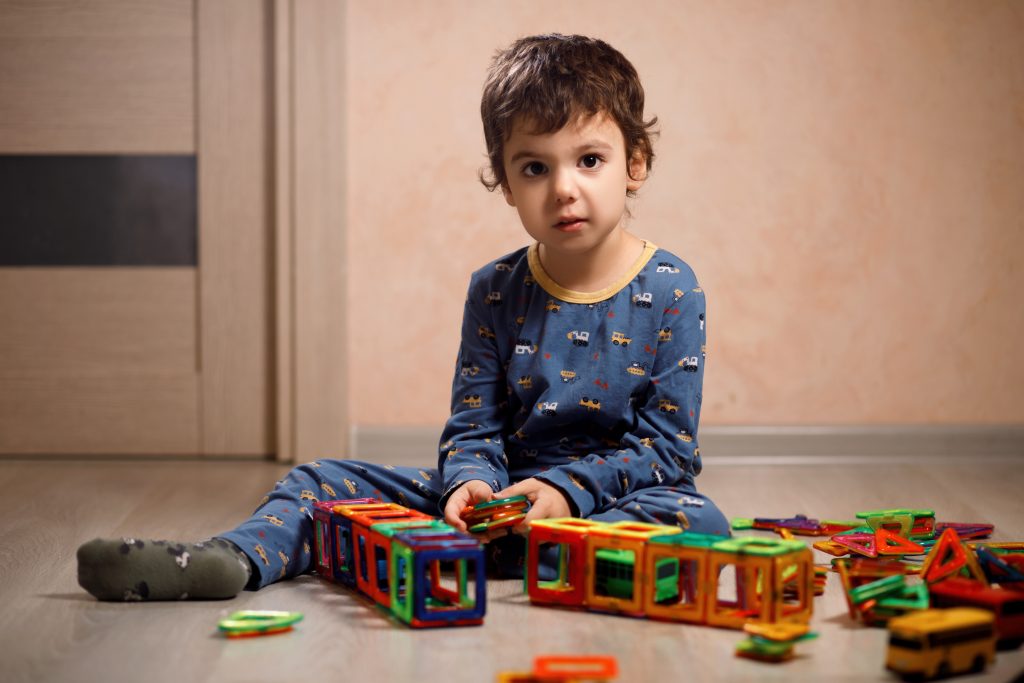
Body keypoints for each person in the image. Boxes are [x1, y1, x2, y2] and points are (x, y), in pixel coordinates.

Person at [77, 33, 729, 602]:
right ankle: (231, 559)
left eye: (589, 160)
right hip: (500, 504)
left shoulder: (673, 287)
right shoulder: (495, 289)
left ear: (634, 163)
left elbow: (668, 449)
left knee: (700, 521)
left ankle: (496, 559)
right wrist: (472, 483)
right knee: (320, 478)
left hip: (607, 504)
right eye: (535, 167)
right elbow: (474, 422)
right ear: (506, 184)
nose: (563, 187)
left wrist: (565, 495)